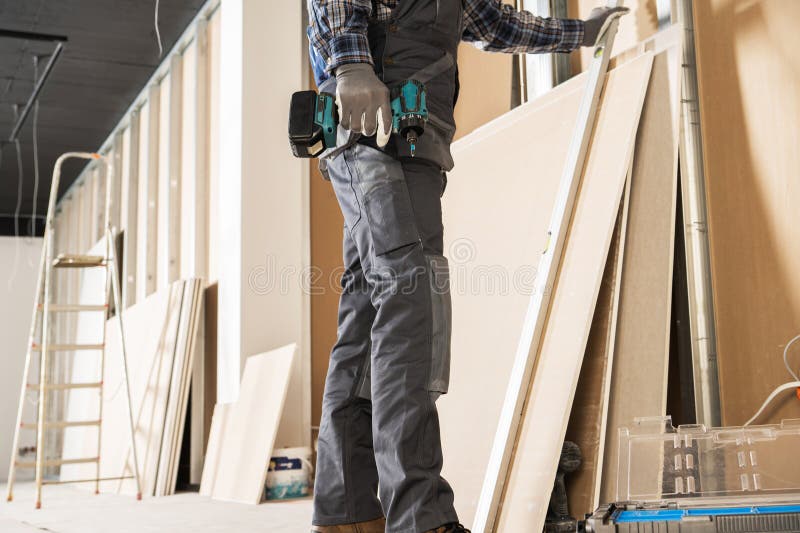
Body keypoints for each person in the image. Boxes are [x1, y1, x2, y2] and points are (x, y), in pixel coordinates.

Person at [306, 2, 628, 532]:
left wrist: (582, 31)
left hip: (417, 146)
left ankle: (347, 513)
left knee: (367, 318)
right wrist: (350, 66)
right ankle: (420, 515)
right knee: (411, 302)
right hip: (369, 137)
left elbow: (498, 25)